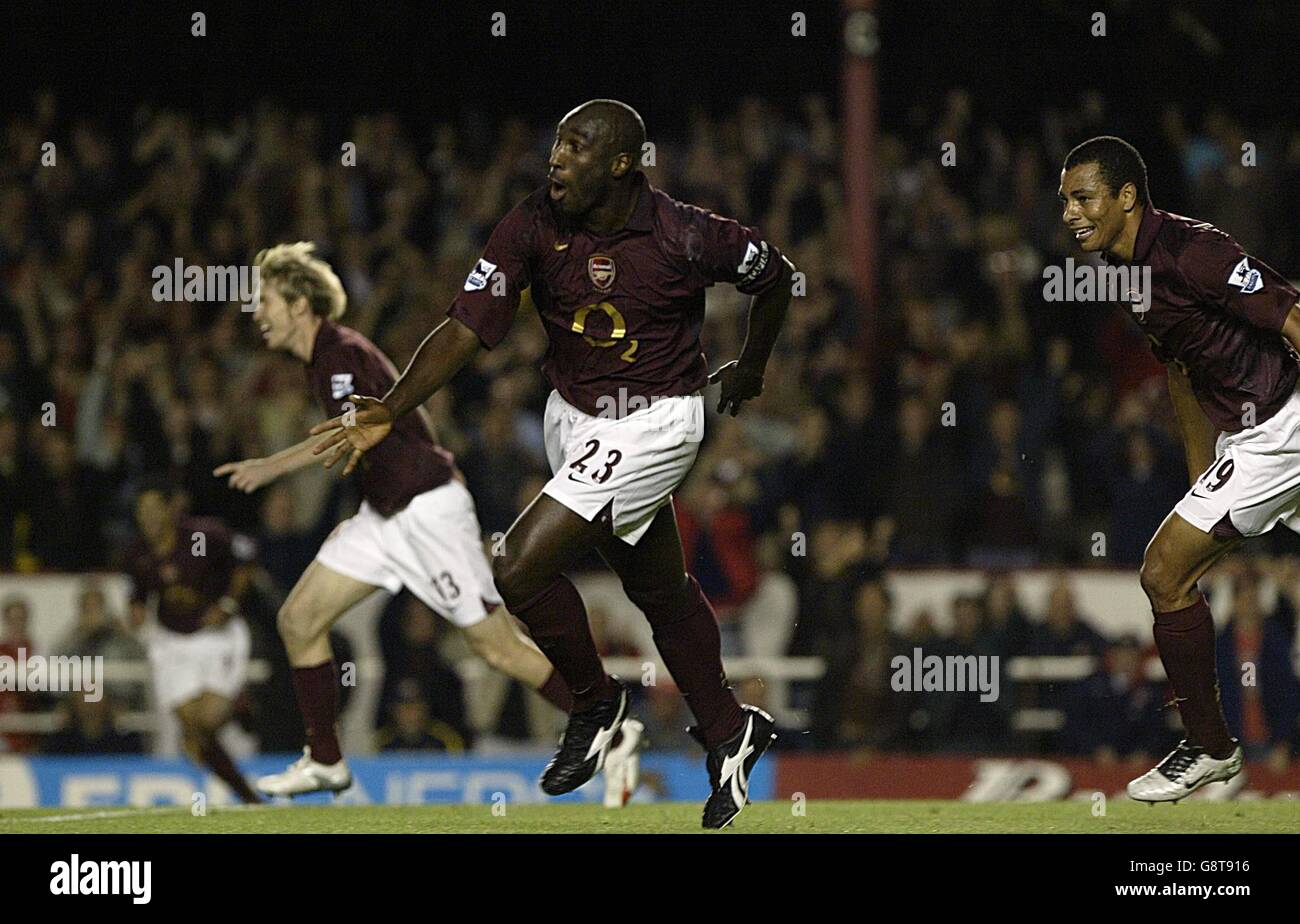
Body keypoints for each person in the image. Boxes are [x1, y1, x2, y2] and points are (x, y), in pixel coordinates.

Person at [312, 100, 796, 827]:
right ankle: (730, 730)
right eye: (558, 144)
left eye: (576, 146)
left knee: (515, 568)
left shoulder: (685, 232)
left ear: (622, 164)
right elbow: (466, 325)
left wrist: (751, 367)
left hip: (656, 422)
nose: (556, 158)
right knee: (658, 589)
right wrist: (393, 405)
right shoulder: (534, 221)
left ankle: (595, 704)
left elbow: (776, 276)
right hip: (572, 419)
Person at [216, 242, 641, 805]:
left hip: (426, 510)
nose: (257, 312)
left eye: (266, 299)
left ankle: (608, 723)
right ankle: (326, 760)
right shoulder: (325, 358)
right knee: (299, 620)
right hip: (384, 514)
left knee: (497, 648)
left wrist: (269, 466)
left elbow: (348, 434)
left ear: (299, 304)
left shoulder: (340, 354)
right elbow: (382, 425)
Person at [1058, 135, 1300, 800]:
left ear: (1126, 196)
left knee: (1164, 571)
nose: (1071, 212)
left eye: (1083, 198)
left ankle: (1210, 747)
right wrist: (1201, 473)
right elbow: (1182, 371)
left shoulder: (1193, 250)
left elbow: (1290, 314)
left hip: (1283, 425)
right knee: (1168, 572)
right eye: (1066, 201)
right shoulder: (1129, 276)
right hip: (1252, 439)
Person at [126, 479, 260, 803]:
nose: (148, 517)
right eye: (142, 511)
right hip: (171, 642)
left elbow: (244, 563)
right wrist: (136, 611)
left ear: (171, 509)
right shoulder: (136, 552)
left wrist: (228, 604)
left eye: (154, 509)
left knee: (209, 719)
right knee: (194, 733)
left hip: (215, 638)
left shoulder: (203, 536)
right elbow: (139, 593)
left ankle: (241, 708)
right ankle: (248, 796)